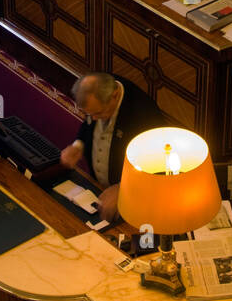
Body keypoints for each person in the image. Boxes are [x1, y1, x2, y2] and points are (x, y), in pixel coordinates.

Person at [59, 72, 167, 221]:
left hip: (131, 203)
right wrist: (78, 145)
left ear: (115, 96)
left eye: (98, 113)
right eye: (90, 114)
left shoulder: (145, 115)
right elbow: (88, 123)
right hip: (100, 192)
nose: (94, 119)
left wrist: (123, 188)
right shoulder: (98, 89)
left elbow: (156, 164)